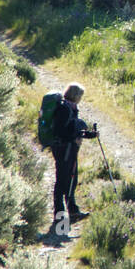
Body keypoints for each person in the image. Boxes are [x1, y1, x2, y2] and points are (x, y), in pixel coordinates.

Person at [49, 83, 98, 233]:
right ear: (75, 95)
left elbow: (74, 129)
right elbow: (62, 131)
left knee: (71, 179)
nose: (81, 98)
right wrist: (74, 138)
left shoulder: (70, 108)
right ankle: (60, 216)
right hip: (64, 149)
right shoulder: (64, 109)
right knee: (62, 181)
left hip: (68, 149)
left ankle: (72, 210)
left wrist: (90, 134)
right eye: (80, 95)